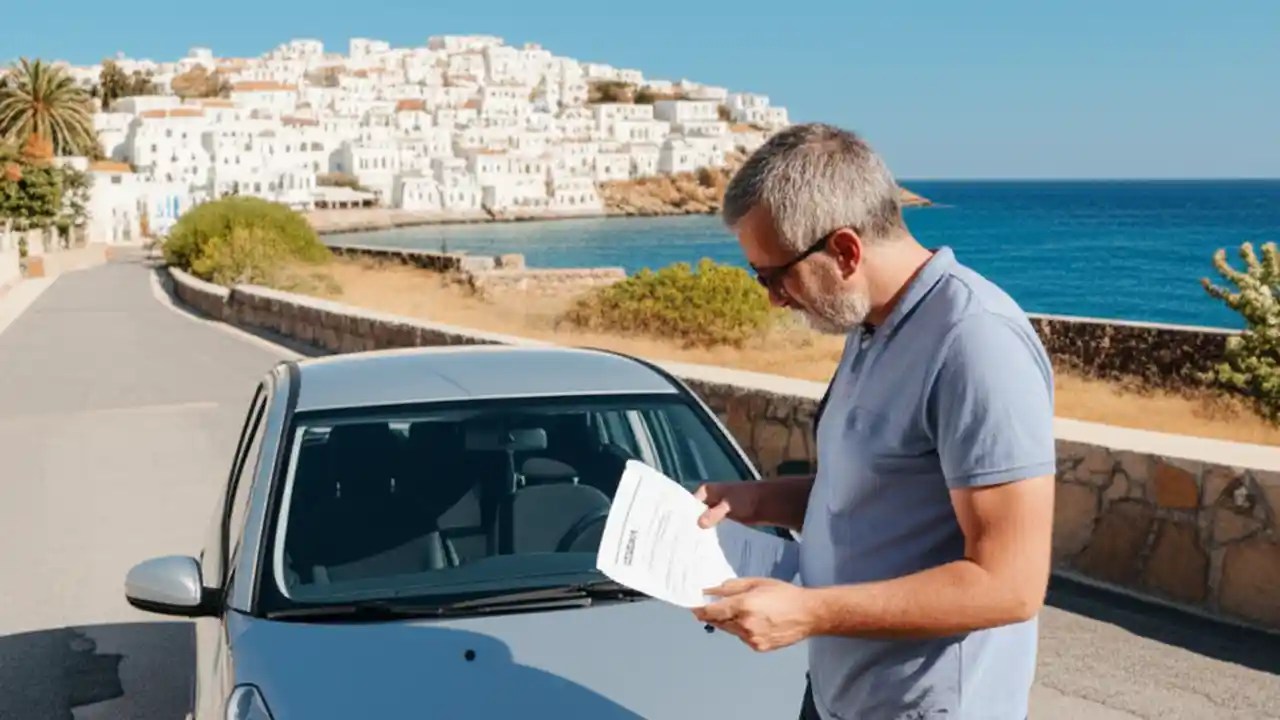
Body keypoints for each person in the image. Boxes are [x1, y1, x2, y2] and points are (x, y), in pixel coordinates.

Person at [690, 123, 1057, 720]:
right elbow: (876, 492)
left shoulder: (975, 342)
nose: (773, 299)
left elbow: (1009, 586)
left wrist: (809, 612)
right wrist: (754, 501)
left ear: (844, 251)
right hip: (838, 697)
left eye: (774, 276)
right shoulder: (870, 324)